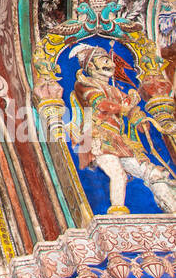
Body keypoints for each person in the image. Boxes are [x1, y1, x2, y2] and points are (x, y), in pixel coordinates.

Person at [69, 45, 176, 214]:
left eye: (109, 59)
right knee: (118, 174)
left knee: (154, 173)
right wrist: (126, 109)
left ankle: (172, 210)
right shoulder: (85, 85)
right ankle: (117, 216)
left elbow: (134, 116)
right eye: (103, 60)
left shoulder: (116, 91)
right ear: (90, 66)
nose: (110, 63)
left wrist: (139, 120)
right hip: (98, 138)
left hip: (121, 141)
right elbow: (101, 105)